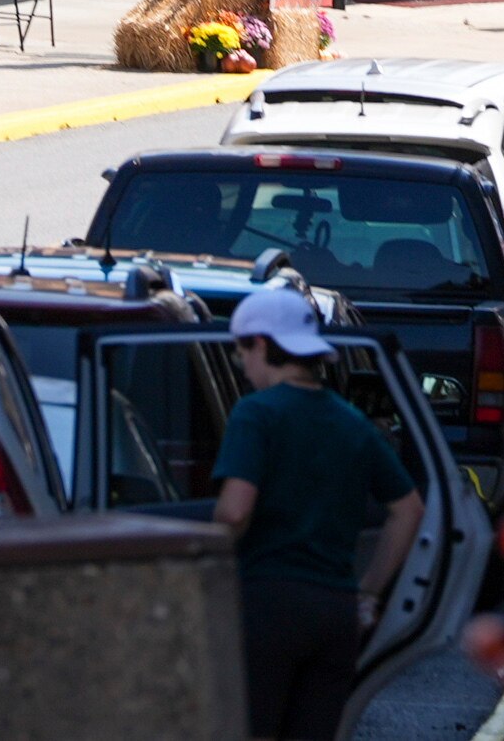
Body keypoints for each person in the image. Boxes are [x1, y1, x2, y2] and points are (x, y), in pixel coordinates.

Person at [211, 285, 424, 740]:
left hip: (266, 606)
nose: (240, 366)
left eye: (240, 352)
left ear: (263, 345)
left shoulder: (256, 414)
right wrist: (367, 594)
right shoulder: (351, 422)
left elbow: (234, 513)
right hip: (336, 613)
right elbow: (409, 509)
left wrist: (199, 564)